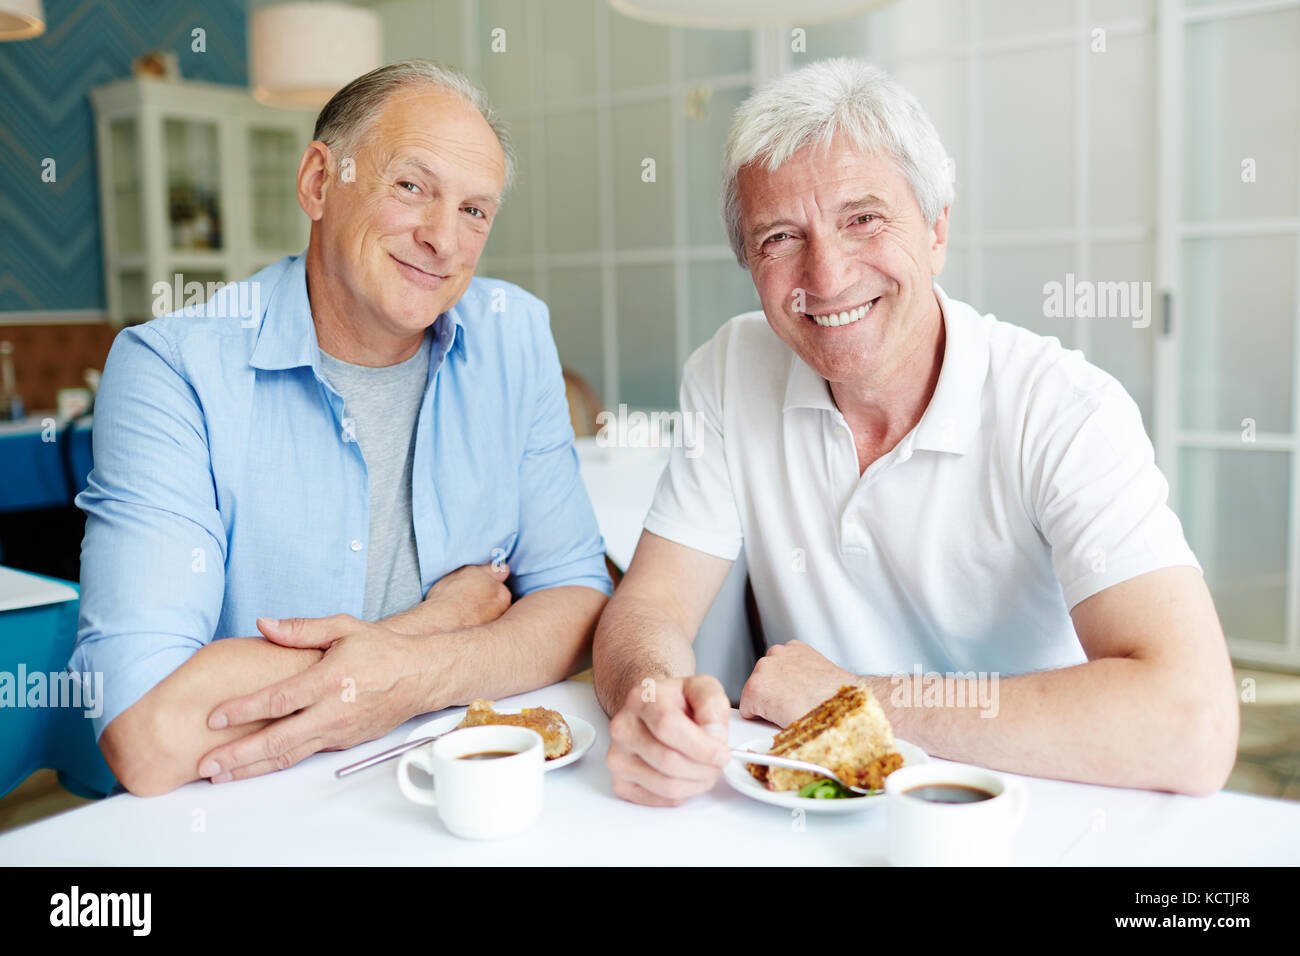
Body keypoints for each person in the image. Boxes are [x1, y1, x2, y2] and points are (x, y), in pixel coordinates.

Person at [594, 58, 1239, 806]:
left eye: (863, 219)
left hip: (1031, 812)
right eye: (780, 237)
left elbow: (1191, 724)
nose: (828, 277)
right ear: (749, 264)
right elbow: (648, 610)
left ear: (936, 230)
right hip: (815, 814)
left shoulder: (1065, 409)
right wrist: (651, 699)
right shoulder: (731, 370)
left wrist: (854, 698)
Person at [72, 60, 612, 796]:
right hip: (244, 815)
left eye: (474, 211)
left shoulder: (512, 333)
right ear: (319, 183)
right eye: (411, 187)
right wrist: (437, 624)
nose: (443, 241)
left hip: (452, 794)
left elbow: (578, 603)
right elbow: (148, 729)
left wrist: (410, 671)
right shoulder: (173, 369)